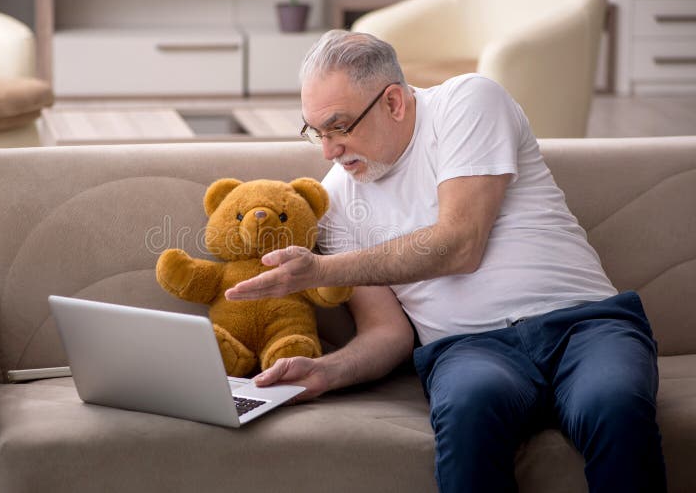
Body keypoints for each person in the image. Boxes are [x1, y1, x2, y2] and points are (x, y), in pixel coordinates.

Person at [225, 29, 666, 492]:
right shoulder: (334, 199)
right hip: (470, 350)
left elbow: (460, 243)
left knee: (614, 402)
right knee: (469, 410)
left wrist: (322, 270)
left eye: (340, 127)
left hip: (585, 325)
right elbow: (388, 332)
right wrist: (325, 373)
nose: (329, 151)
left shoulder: (468, 102)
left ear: (393, 102)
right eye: (316, 132)